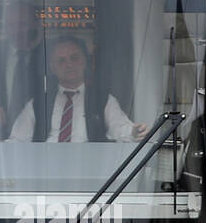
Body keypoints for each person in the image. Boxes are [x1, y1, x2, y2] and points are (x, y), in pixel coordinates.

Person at [8, 35, 147, 143]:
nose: (69, 65)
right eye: (61, 60)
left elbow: (121, 128)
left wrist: (134, 131)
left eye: (74, 58)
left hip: (89, 168)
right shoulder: (38, 103)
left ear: (85, 61)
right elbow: (17, 140)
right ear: (52, 68)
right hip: (47, 168)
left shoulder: (102, 99)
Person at [0, 1, 44, 138]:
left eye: (22, 24)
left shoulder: (49, 54)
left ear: (36, 24)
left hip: (38, 138)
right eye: (11, 25)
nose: (16, 30)